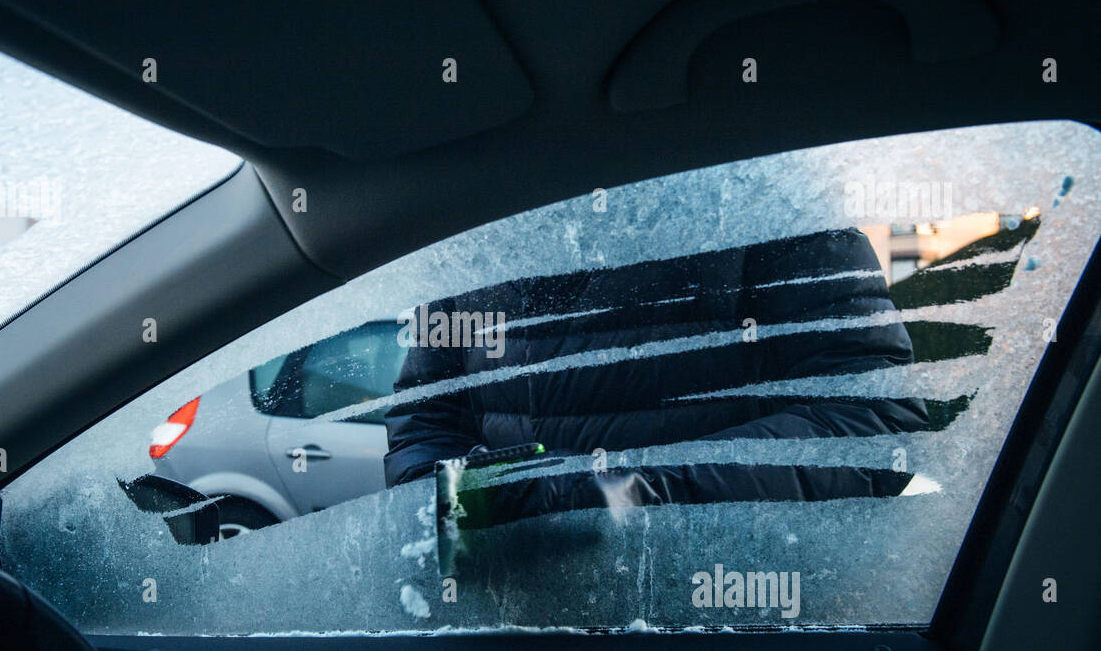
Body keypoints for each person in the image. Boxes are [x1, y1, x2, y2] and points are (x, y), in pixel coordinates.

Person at [384, 229, 928, 525]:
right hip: (512, 622)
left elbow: (875, 425)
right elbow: (425, 418)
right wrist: (458, 502)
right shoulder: (473, 247)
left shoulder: (776, 220)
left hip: (714, 626)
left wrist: (626, 492)